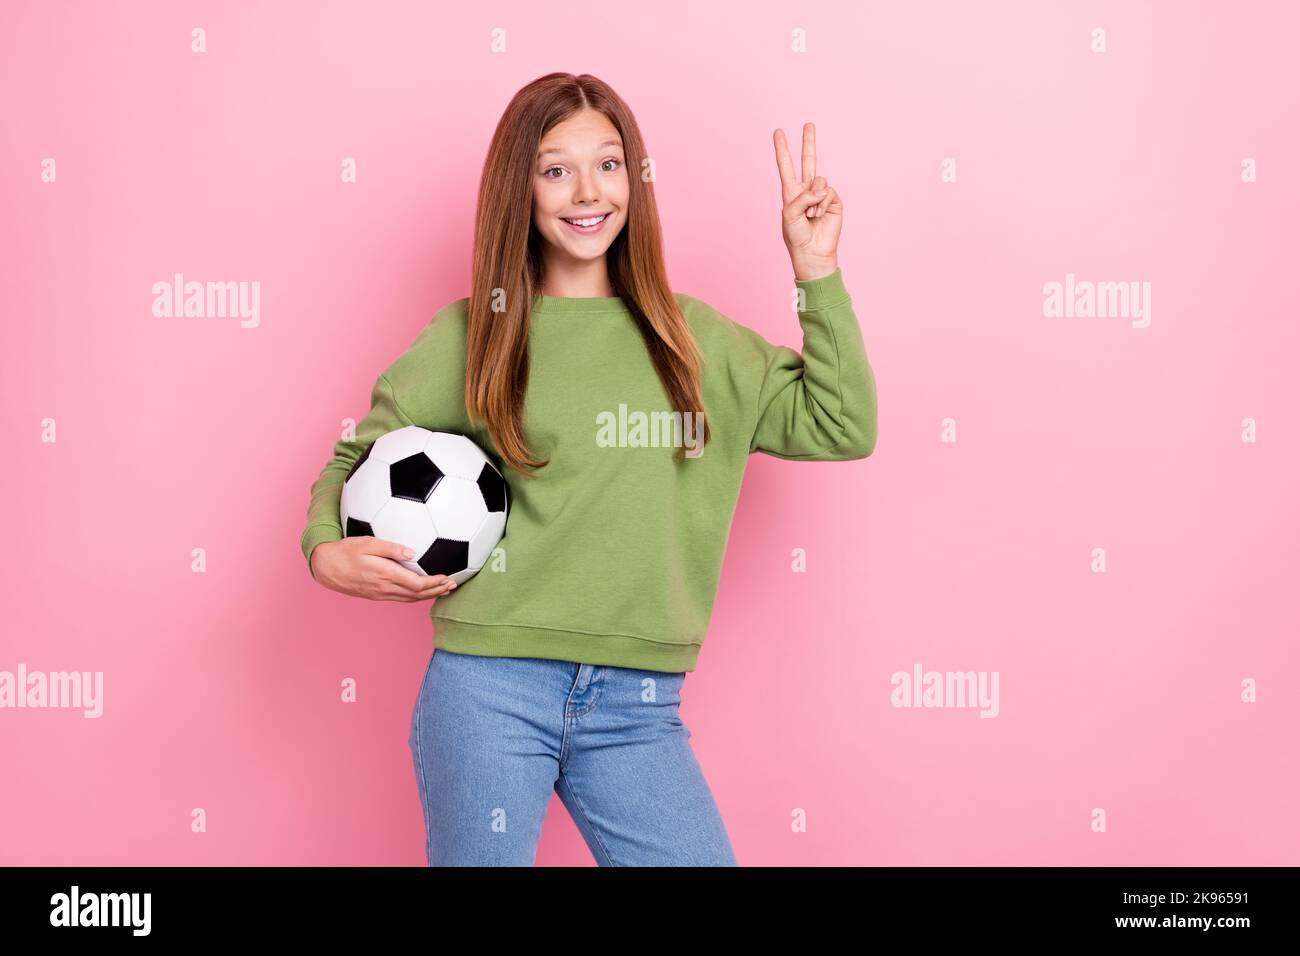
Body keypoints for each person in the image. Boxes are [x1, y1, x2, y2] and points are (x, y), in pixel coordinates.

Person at [300, 72, 878, 866]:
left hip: (640, 708)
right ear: (522, 188)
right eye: (554, 168)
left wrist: (816, 273)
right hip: (487, 692)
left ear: (634, 182)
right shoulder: (475, 334)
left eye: (609, 164)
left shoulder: (696, 340)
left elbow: (841, 423)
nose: (586, 191)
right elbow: (354, 458)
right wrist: (327, 550)